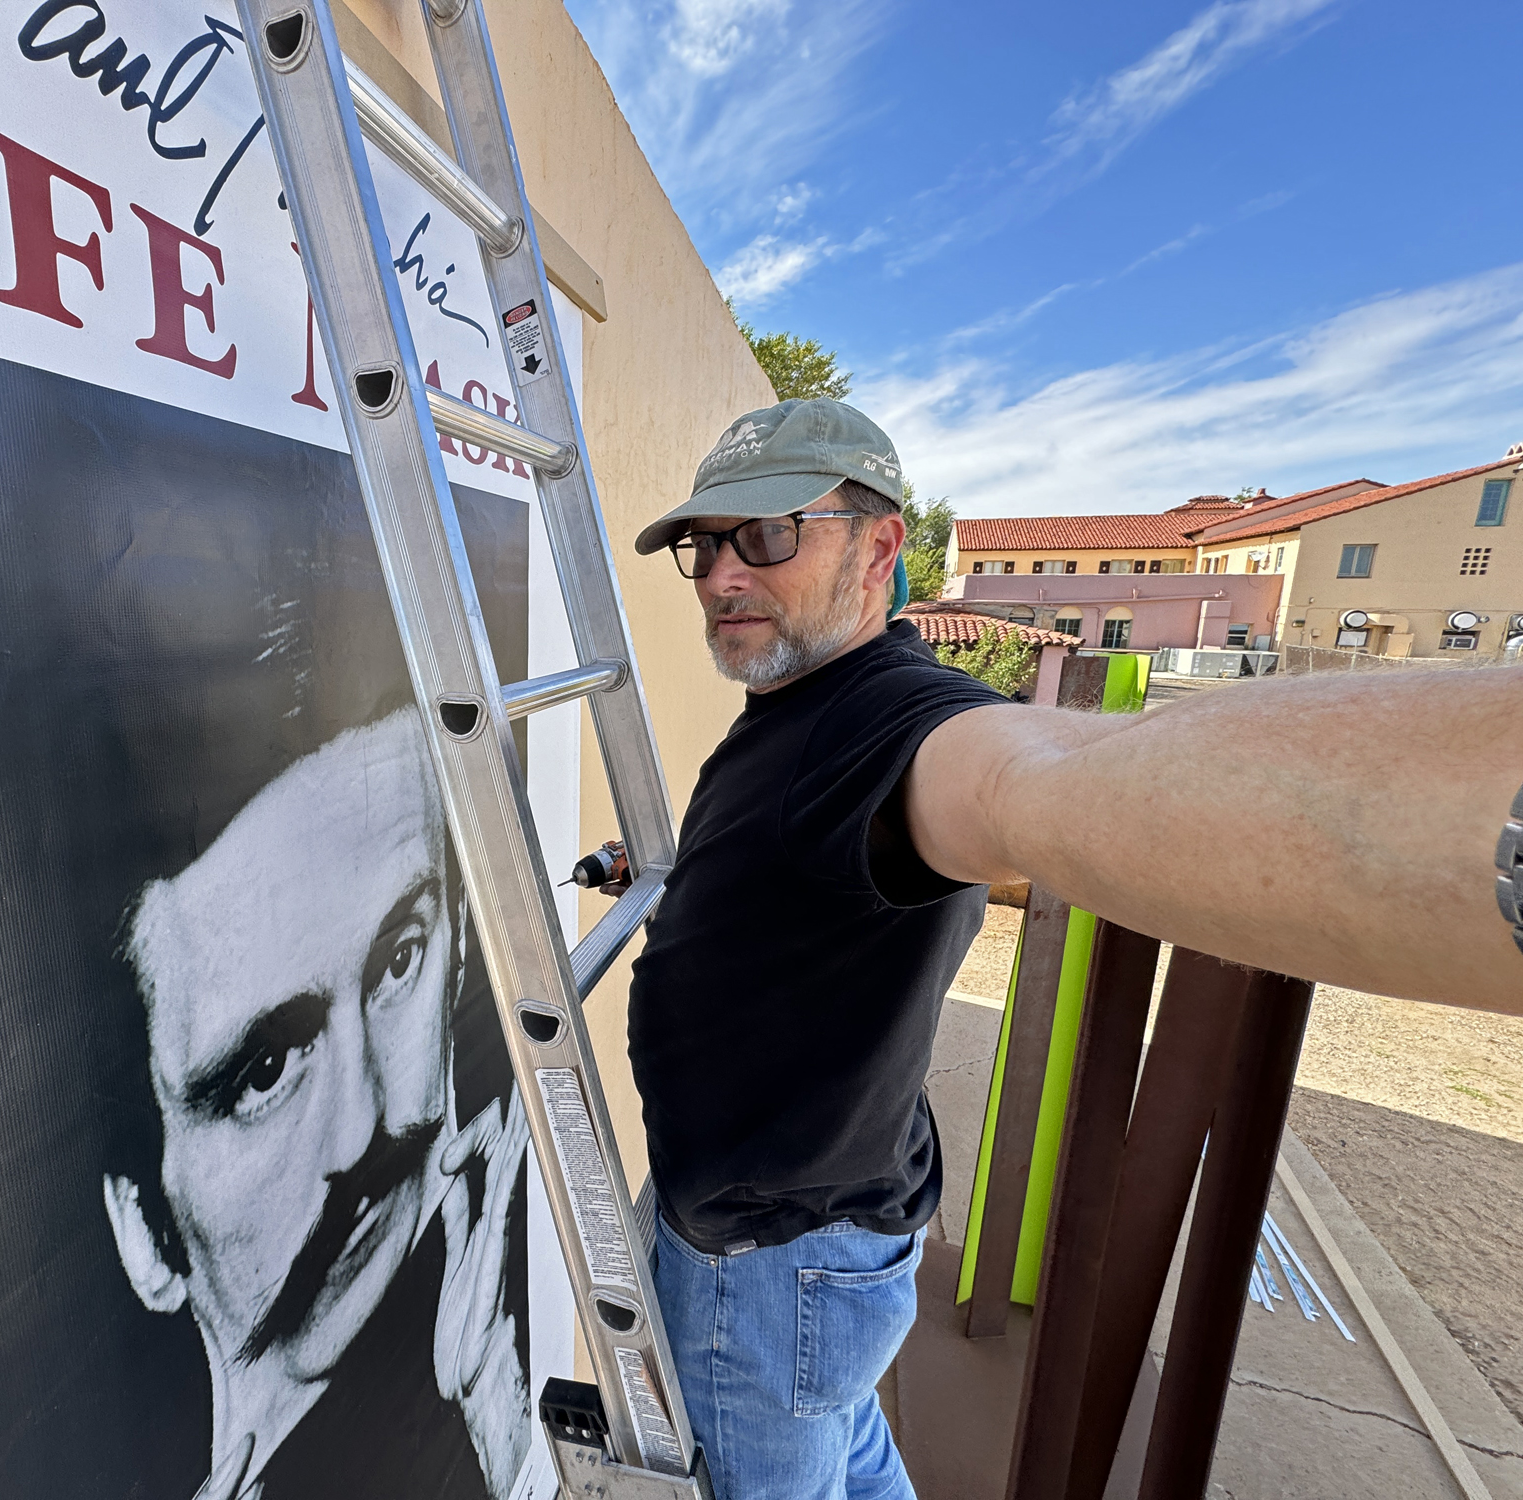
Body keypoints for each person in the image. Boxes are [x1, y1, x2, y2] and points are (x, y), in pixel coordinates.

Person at [619, 397, 1522, 1500]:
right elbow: (793, 869)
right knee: (847, 1457)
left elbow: (1034, 778)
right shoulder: (802, 701)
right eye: (703, 546)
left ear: (879, 544)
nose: (719, 576)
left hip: (771, 1260)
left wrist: (1486, 830)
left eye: (764, 535)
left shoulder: (899, 722)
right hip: (818, 1224)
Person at [102, 708, 531, 1500]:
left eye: (398, 962)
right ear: (145, 1235)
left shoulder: (489, 1380)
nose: (360, 1128)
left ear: (462, 943)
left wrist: (499, 1417)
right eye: (263, 1073)